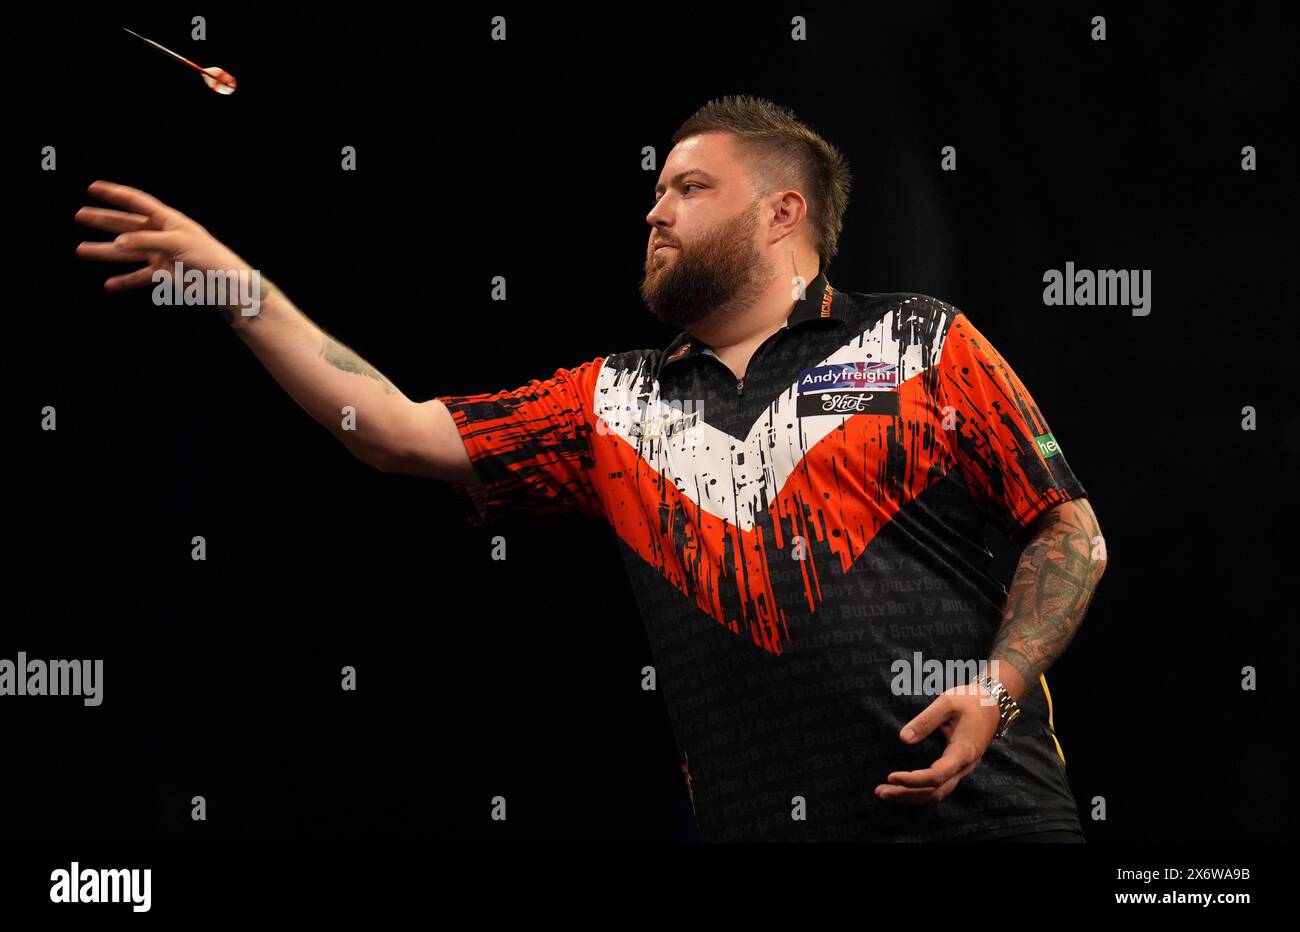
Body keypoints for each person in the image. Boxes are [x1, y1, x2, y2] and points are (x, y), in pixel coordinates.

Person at [74, 95, 1105, 843]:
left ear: (783, 211)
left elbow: (1067, 528)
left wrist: (1001, 686)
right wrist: (233, 280)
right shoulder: (608, 401)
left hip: (989, 822)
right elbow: (389, 426)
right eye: (655, 191)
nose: (654, 212)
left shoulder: (921, 341)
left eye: (689, 187)